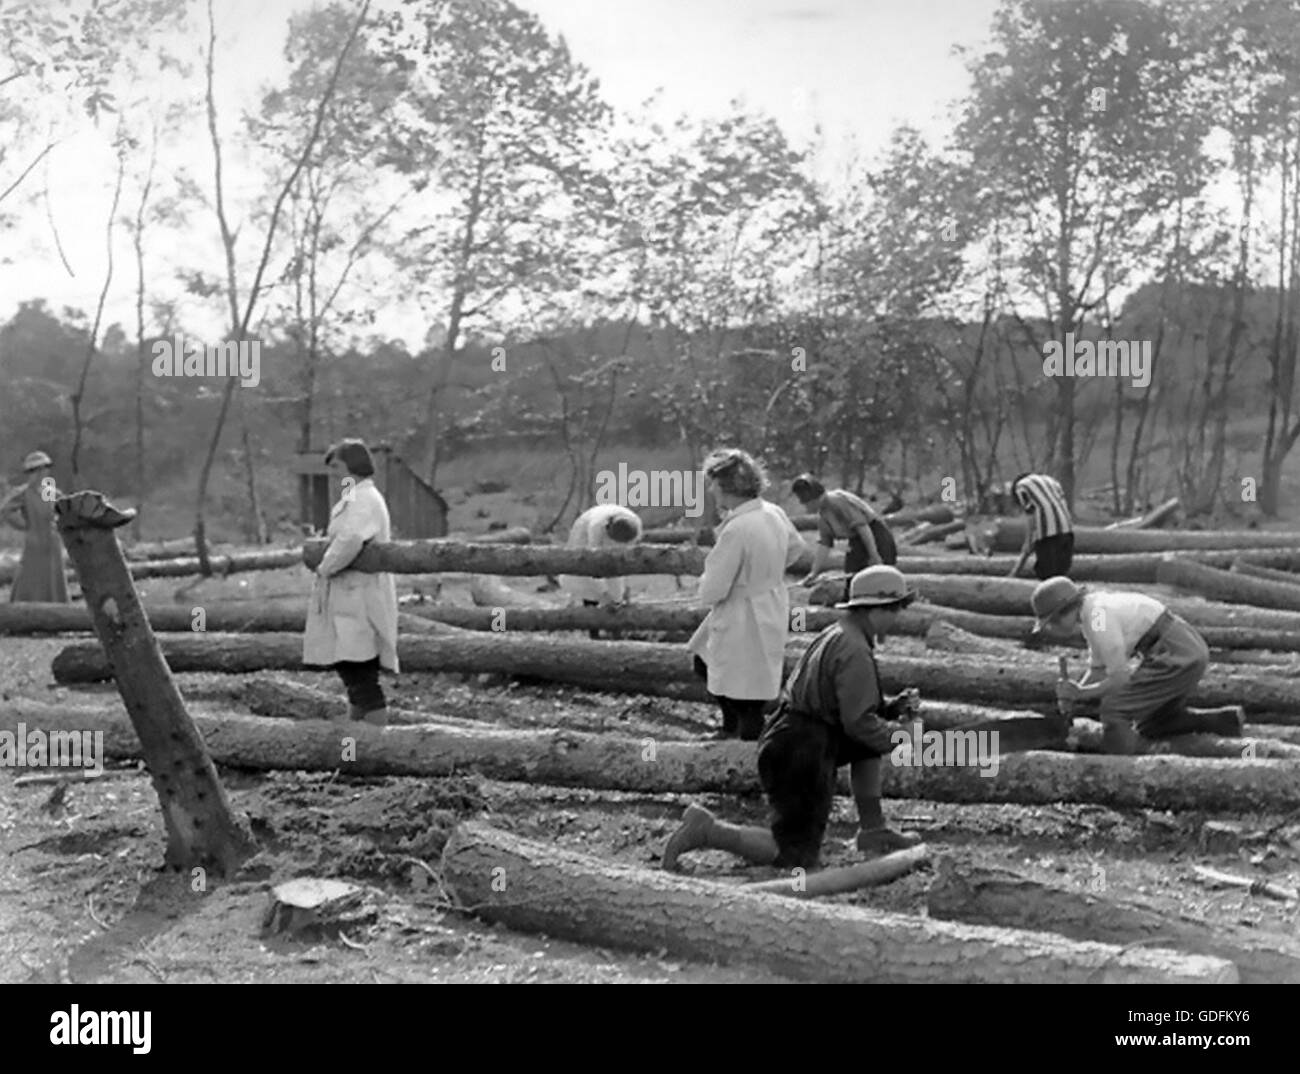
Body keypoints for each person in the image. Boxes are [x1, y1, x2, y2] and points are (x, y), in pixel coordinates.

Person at [663, 566, 923, 873]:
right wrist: (904, 739)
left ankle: (873, 829)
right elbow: (859, 723)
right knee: (794, 856)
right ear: (878, 609)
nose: (897, 618)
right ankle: (708, 830)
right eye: (895, 609)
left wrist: (892, 709)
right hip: (800, 750)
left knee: (865, 747)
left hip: (799, 736)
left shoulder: (841, 633)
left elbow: (850, 709)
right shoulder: (854, 651)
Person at [1031, 575, 1243, 754]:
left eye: (1053, 623)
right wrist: (1073, 694)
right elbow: (1098, 669)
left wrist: (1082, 694)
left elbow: (1119, 678)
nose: (1051, 629)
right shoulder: (1092, 614)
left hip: (1175, 653)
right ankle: (1224, 721)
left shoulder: (1098, 616)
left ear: (1065, 609)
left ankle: (1127, 769)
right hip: (1181, 648)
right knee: (1151, 723)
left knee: (1114, 709)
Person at [688, 448, 805, 741]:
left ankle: (748, 747)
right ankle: (730, 727)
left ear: (725, 486)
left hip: (742, 610)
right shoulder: (772, 512)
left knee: (746, 689)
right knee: (704, 658)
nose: (712, 489)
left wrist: (711, 585)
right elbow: (795, 548)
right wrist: (768, 571)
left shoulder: (738, 528)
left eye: (714, 483)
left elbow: (714, 587)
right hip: (768, 601)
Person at [303, 439, 398, 726]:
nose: (333, 473)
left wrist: (325, 567)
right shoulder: (353, 497)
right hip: (348, 597)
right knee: (353, 675)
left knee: (361, 673)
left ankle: (372, 745)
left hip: (358, 596)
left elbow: (351, 539)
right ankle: (355, 743)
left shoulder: (364, 499)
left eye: (337, 467)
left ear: (353, 466)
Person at [791, 475, 897, 603]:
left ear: (812, 498)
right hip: (856, 541)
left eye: (804, 501)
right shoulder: (823, 515)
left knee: (879, 579)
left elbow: (863, 527)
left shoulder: (836, 501)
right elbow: (825, 545)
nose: (803, 505)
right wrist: (813, 573)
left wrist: (874, 555)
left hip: (875, 535)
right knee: (851, 579)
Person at [558, 503, 642, 639]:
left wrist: (620, 593)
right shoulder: (594, 528)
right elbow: (592, 566)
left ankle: (616, 630)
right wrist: (604, 595)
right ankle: (594, 632)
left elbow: (628, 557)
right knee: (588, 586)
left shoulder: (635, 523)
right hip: (585, 534)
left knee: (616, 585)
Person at [2, 451, 70, 603]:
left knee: (53, 574)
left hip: (52, 539)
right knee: (31, 574)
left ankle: (55, 604)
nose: (41, 473)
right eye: (36, 470)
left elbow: (61, 508)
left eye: (44, 469)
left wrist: (61, 522)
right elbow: (6, 510)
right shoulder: (25, 492)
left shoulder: (48, 490)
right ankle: (25, 605)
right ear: (30, 473)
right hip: (34, 539)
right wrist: (23, 524)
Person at [1008, 472, 1074, 580]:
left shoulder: (1021, 486)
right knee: (1060, 573)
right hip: (1067, 529)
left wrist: (1028, 541)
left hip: (1047, 533)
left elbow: (1030, 516)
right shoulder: (1051, 481)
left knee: (1046, 574)